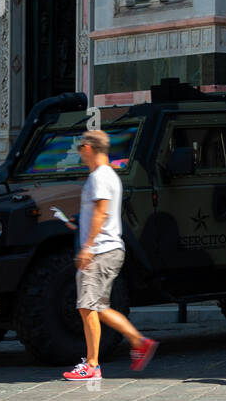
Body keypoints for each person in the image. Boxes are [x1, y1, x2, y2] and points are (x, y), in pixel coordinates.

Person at [61, 130, 157, 380]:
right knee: (98, 307)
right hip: (108, 248)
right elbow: (99, 213)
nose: (79, 150)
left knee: (86, 307)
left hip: (100, 251)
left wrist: (87, 247)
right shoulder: (108, 175)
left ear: (90, 148)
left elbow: (102, 213)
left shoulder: (99, 177)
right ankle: (140, 341)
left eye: (81, 145)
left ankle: (92, 366)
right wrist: (80, 224)